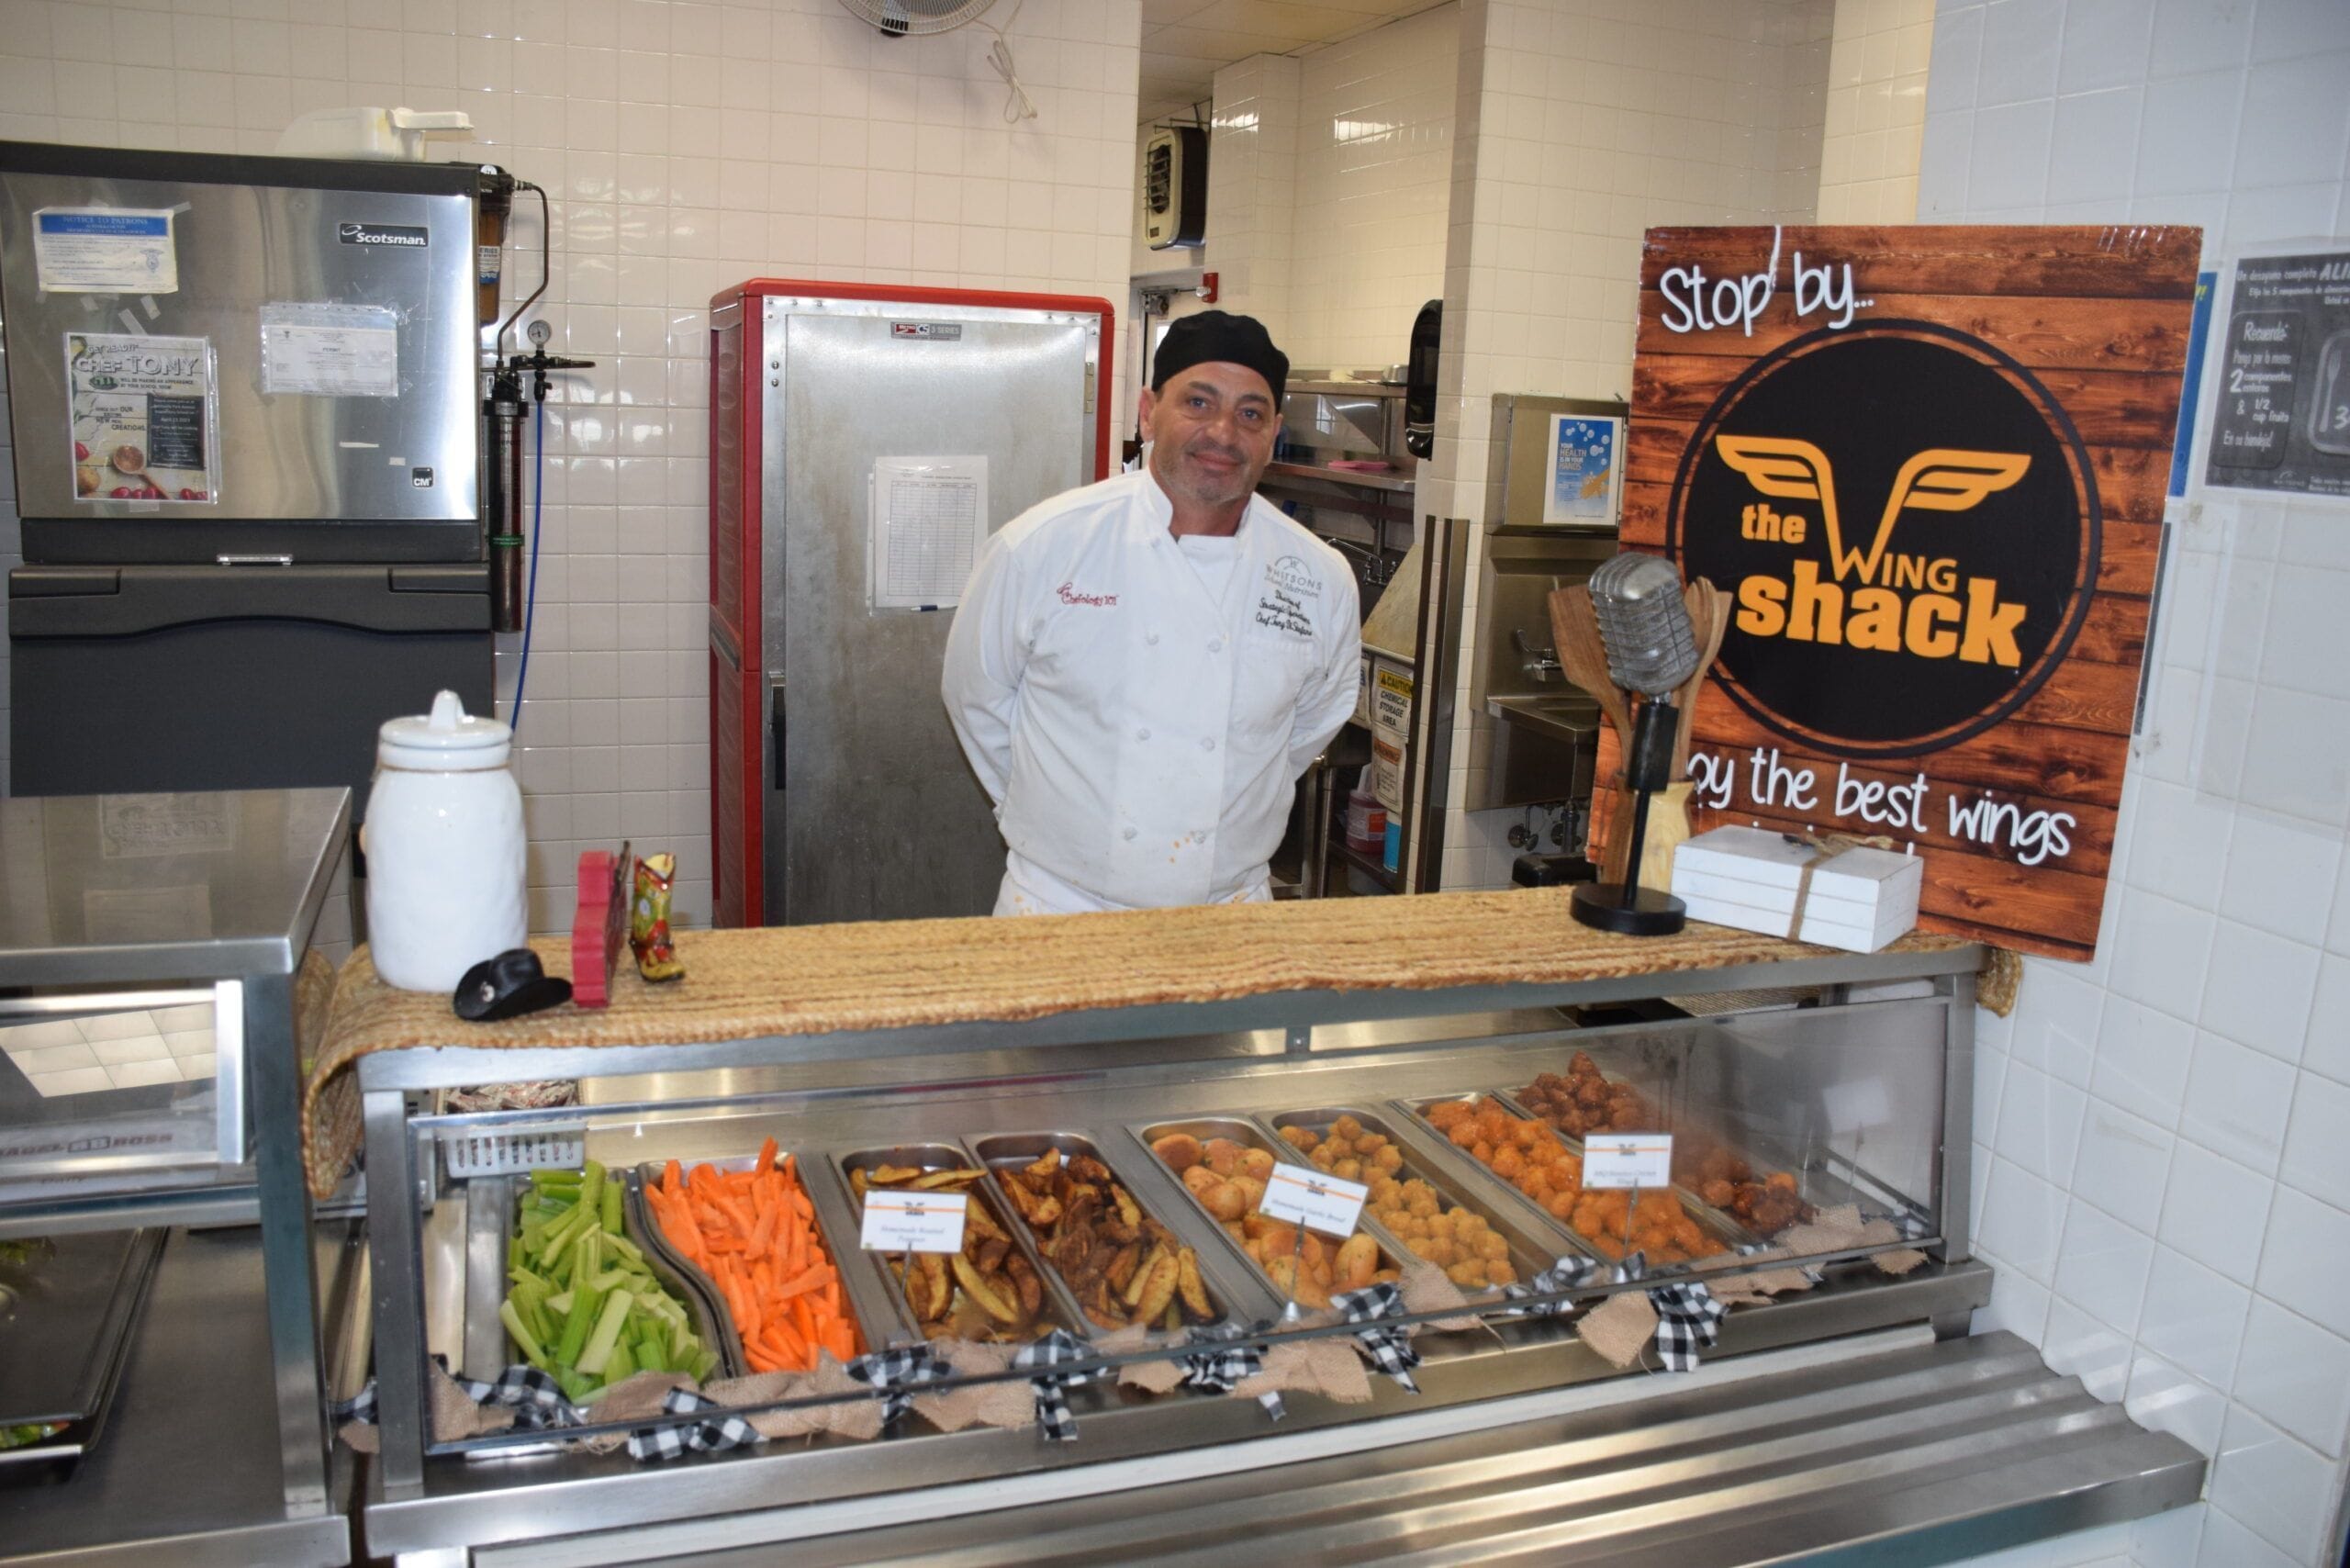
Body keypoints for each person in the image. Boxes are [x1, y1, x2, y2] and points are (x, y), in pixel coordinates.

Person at [943, 311, 1361, 915]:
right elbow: (974, 697)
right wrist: (1051, 817)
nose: (1223, 432)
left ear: (1273, 434)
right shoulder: (1042, 546)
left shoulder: (1318, 577)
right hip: (1062, 909)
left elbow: (1309, 726)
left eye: (1250, 413)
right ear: (1147, 412)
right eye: (1198, 402)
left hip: (1230, 914)